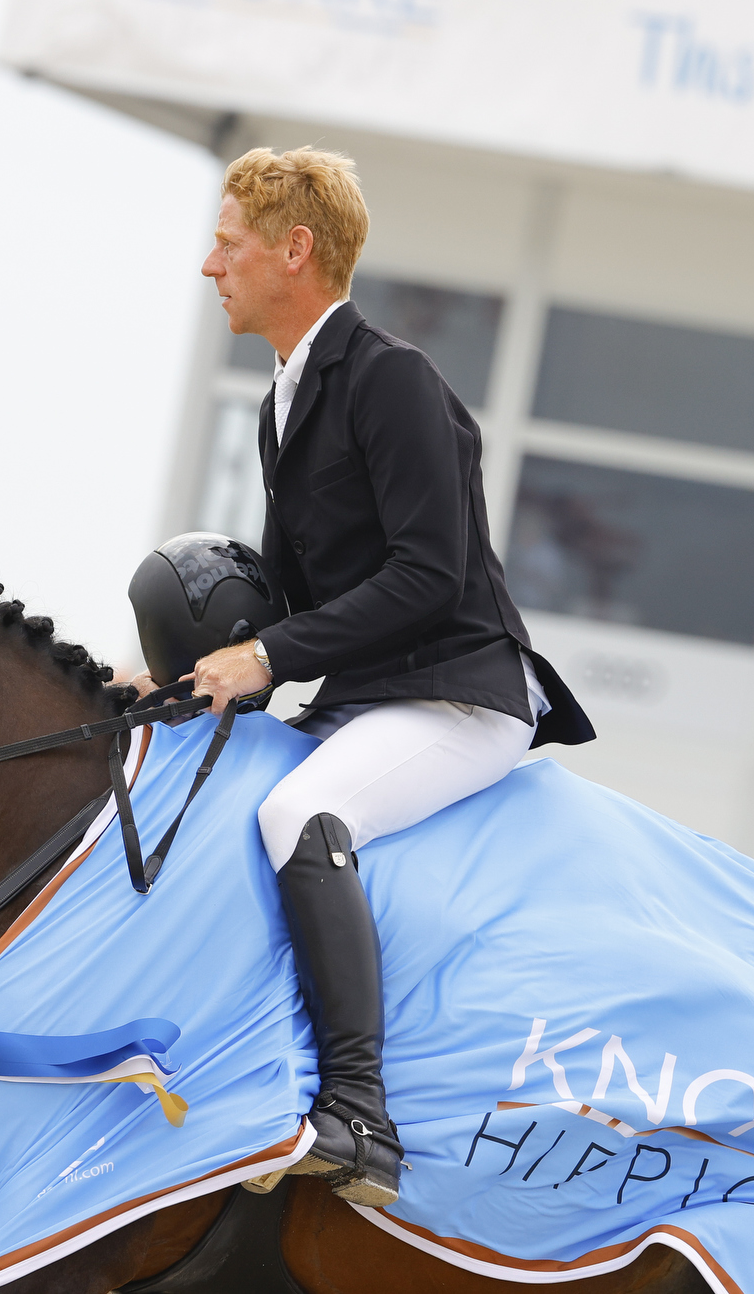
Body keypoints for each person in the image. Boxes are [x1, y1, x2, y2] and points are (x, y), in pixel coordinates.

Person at [154, 146, 594, 1207]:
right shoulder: (280, 403)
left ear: (292, 249)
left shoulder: (389, 376)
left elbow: (426, 574)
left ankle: (357, 1114)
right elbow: (291, 608)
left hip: (457, 691)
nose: (210, 266)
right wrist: (170, 684)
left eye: (228, 243)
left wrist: (265, 656)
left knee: (300, 809)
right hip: (368, 697)